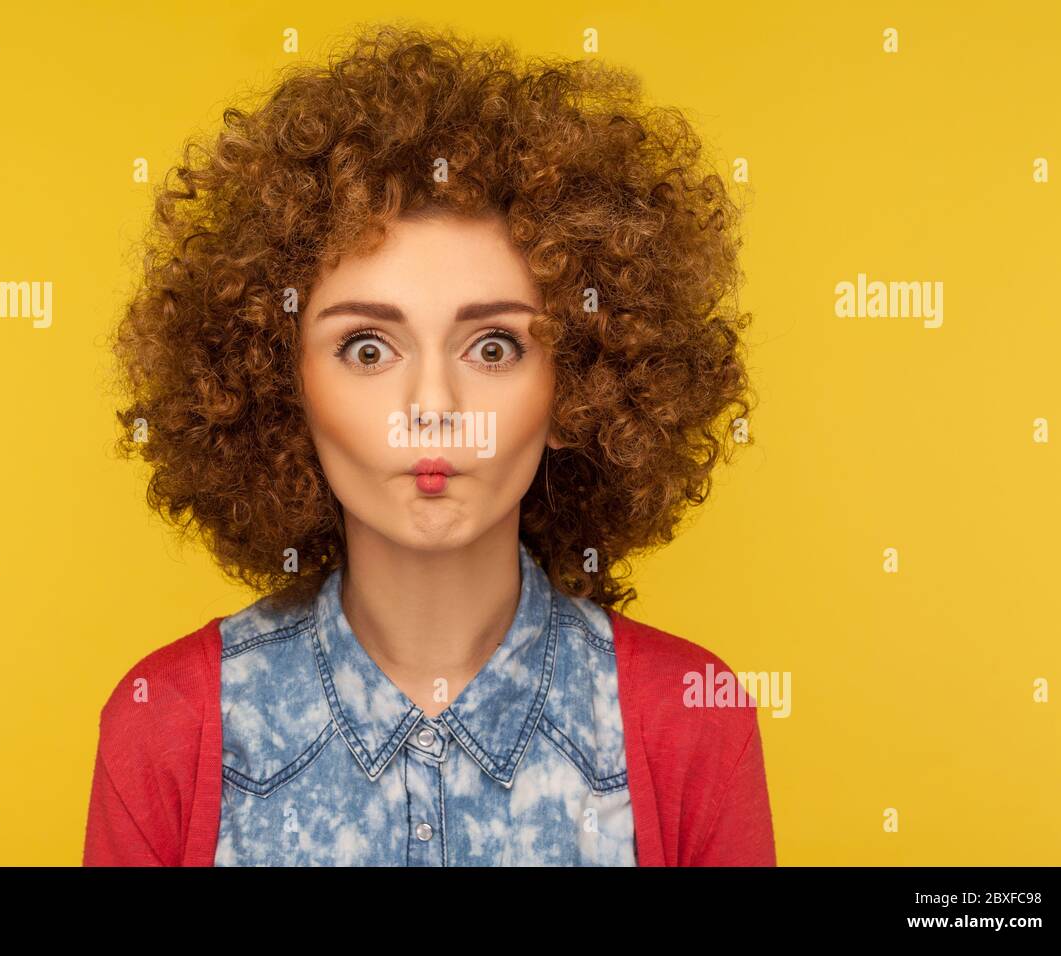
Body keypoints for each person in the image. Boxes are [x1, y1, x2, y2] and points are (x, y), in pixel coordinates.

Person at [85, 23, 773, 866]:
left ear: (579, 388)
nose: (435, 407)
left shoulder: (690, 720)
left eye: (494, 348)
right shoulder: (168, 724)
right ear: (280, 386)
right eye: (367, 349)